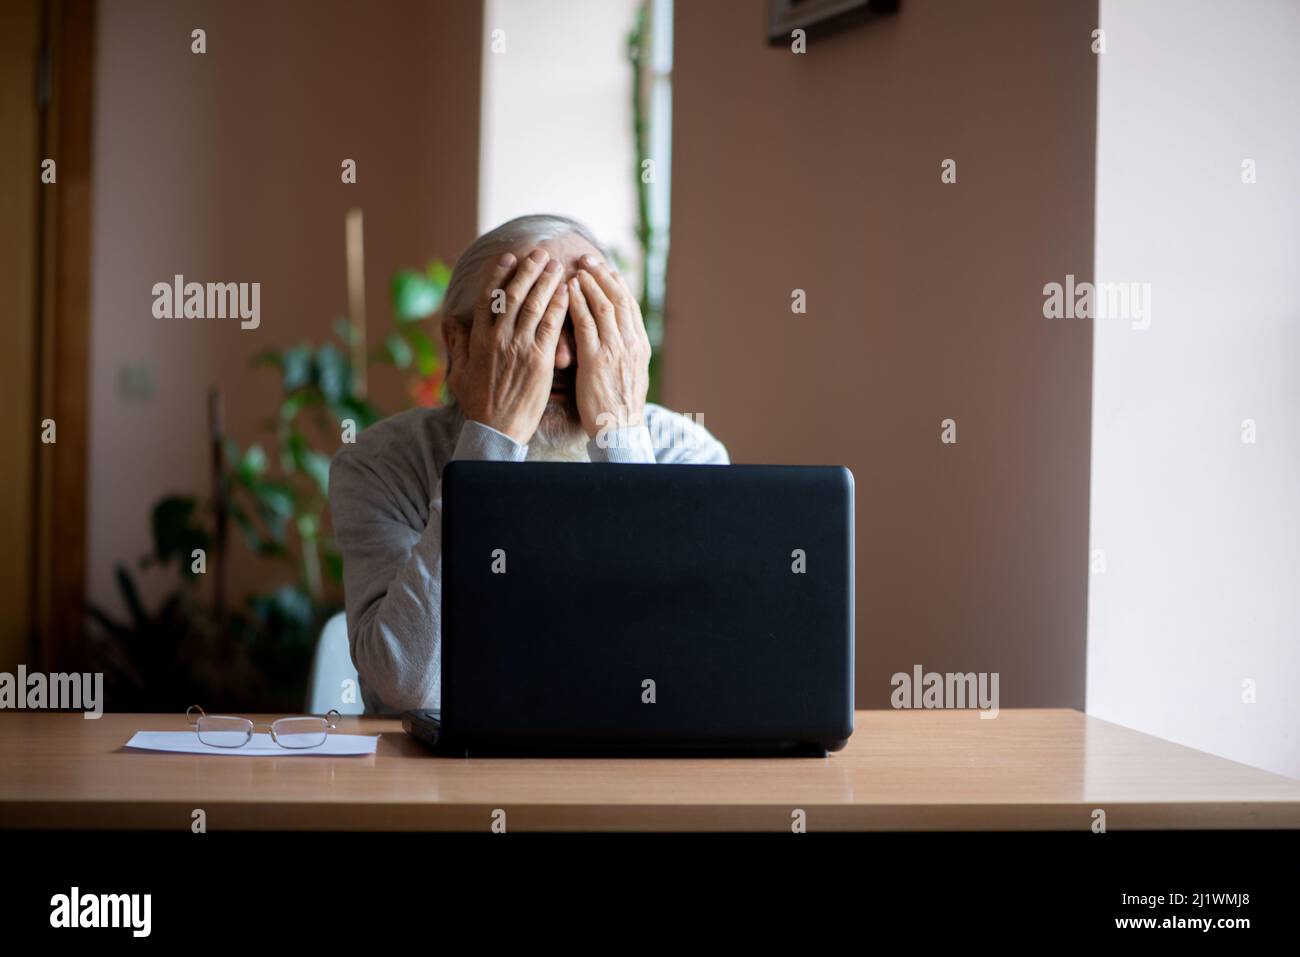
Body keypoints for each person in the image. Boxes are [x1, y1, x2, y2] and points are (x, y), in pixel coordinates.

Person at [328, 214, 729, 713]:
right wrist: (491, 439)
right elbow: (412, 685)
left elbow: (676, 674)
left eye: (583, 325)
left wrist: (622, 440)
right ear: (458, 344)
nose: (560, 357)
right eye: (528, 324)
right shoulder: (383, 465)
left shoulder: (686, 455)